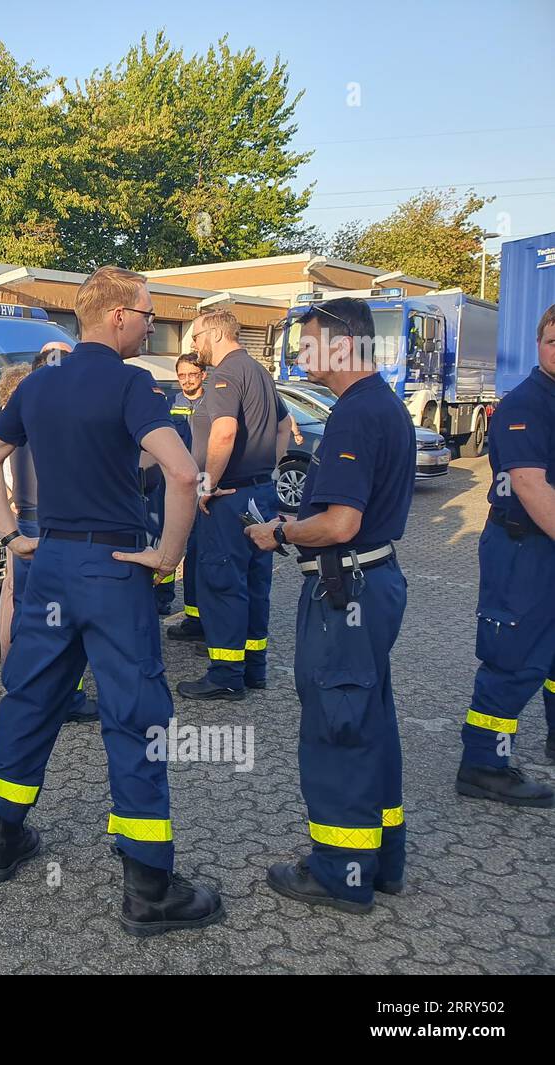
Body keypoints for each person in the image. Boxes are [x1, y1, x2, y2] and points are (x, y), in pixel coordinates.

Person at [0, 266, 223, 937]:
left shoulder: (41, 384)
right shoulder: (134, 385)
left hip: (48, 562)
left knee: (30, 696)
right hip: (113, 568)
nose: (150, 322)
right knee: (136, 714)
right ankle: (148, 888)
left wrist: (10, 535)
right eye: (147, 312)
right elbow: (183, 470)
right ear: (116, 316)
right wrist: (169, 554)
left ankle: (1, 840)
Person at [244, 296, 415, 913]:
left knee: (337, 727)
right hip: (373, 584)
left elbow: (341, 524)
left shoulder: (353, 415)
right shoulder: (381, 405)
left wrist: (282, 532)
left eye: (308, 342)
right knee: (369, 721)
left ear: (342, 344)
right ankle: (382, 860)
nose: (300, 354)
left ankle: (340, 872)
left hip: (347, 594)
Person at [456, 302, 555, 807]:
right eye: (553, 340)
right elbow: (531, 486)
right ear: (539, 344)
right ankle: (485, 765)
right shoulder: (526, 404)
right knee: (511, 659)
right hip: (524, 549)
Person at [179, 309, 291, 700]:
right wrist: (268, 466)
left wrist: (208, 484)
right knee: (255, 582)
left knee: (223, 582)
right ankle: (253, 669)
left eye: (195, 338)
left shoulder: (226, 374)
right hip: (261, 493)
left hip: (229, 497)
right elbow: (282, 425)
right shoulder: (260, 372)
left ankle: (226, 674)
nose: (193, 346)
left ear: (212, 334)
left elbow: (224, 434)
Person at [0, 346, 98, 723]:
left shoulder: (23, 412)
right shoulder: (64, 413)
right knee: (61, 615)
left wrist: (8, 531)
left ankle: (22, 684)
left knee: (28, 607)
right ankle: (65, 697)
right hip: (57, 525)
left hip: (27, 523)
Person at [164, 352, 208, 638]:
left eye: (193, 374)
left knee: (201, 551)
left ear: (203, 374)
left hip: (205, 482)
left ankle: (200, 615)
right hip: (177, 483)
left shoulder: (215, 401)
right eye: (182, 375)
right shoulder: (173, 403)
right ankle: (164, 598)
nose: (187, 380)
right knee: (170, 540)